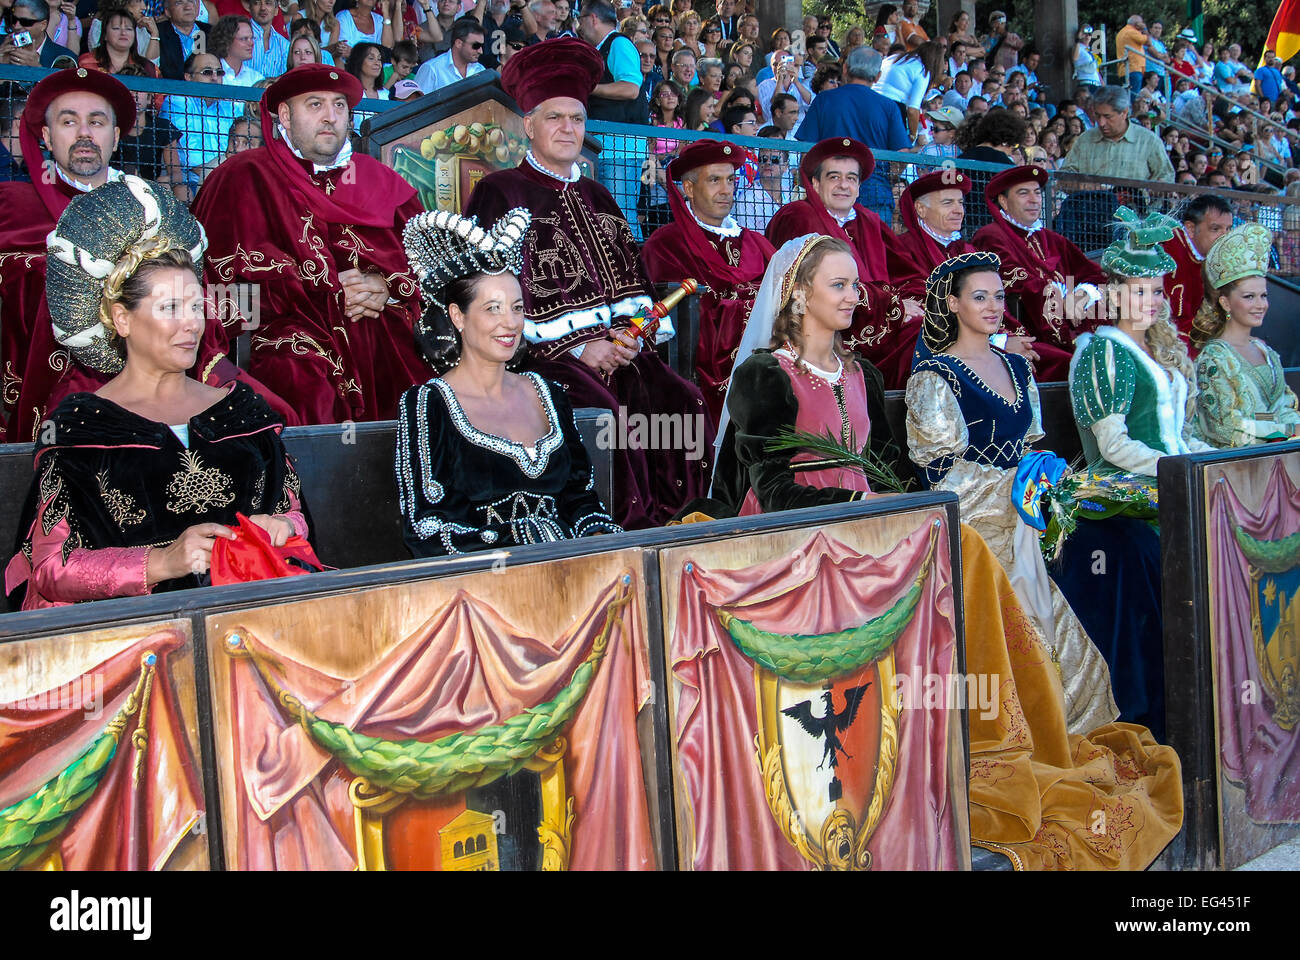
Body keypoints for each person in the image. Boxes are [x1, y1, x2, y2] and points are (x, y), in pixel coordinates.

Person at [5, 177, 309, 609]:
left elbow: (294, 511)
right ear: (121, 319)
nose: (192, 324)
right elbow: (53, 567)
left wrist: (283, 526)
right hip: (134, 636)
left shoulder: (241, 411)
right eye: (170, 308)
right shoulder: (81, 428)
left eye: (195, 305)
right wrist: (161, 562)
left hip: (245, 619)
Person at [464, 38, 713, 529]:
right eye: (554, 117)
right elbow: (487, 298)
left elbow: (633, 284)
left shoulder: (599, 194)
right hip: (542, 360)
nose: (568, 128)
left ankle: (683, 525)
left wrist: (630, 338)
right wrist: (580, 348)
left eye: (577, 119)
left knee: (682, 400)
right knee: (604, 414)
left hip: (620, 350)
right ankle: (618, 534)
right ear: (529, 125)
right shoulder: (499, 192)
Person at [905, 251, 1118, 733]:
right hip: (977, 528)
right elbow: (940, 475)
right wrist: (1016, 490)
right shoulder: (935, 376)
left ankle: (1060, 730)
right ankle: (1020, 735)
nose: (993, 306)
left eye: (999, 297)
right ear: (953, 304)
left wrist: (1045, 482)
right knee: (1024, 623)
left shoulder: (1018, 368)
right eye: (979, 297)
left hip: (1029, 518)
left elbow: (1027, 448)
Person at [191, 64, 433, 425]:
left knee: (431, 396)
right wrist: (324, 294)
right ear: (285, 116)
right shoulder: (243, 177)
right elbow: (211, 292)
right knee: (303, 385)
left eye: (339, 105)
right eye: (315, 104)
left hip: (383, 335)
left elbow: (430, 270)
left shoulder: (379, 179)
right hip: (288, 341)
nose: (330, 117)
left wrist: (388, 289)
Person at [396, 207, 620, 556]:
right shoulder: (429, 404)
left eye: (516, 308)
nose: (511, 323)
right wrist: (526, 538)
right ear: (457, 316)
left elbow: (580, 498)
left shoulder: (549, 393)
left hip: (568, 571)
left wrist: (599, 536)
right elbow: (429, 529)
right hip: (481, 583)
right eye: (493, 309)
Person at [641, 139, 774, 424]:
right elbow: (668, 317)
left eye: (730, 180)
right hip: (700, 371)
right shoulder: (666, 245)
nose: (726, 190)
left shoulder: (757, 243)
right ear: (689, 189)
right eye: (714, 180)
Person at [1070, 214, 1213, 478]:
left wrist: (1216, 461)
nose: (1152, 301)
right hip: (1136, 490)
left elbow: (1177, 439)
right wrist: (1178, 469)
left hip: (1178, 478)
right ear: (1116, 296)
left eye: (1157, 291)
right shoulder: (1104, 351)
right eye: (1140, 292)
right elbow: (1113, 446)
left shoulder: (1161, 349)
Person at [766, 138, 922, 376]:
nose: (843, 185)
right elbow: (803, 288)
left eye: (851, 178)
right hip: (828, 330)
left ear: (859, 186)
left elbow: (905, 271)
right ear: (816, 183)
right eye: (834, 177)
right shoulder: (798, 216)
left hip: (879, 322)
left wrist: (915, 301)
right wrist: (895, 306)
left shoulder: (869, 220)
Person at [973, 164, 1105, 381]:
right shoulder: (991, 236)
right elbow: (1015, 281)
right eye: (1024, 193)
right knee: (1074, 363)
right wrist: (1060, 299)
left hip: (1075, 325)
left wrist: (1083, 293)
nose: (1034, 200)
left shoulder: (1054, 239)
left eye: (1037, 192)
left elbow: (1094, 275)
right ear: (1003, 201)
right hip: (1030, 332)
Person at [1193, 224, 1300, 447]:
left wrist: (1290, 428)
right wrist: (1286, 430)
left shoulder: (1266, 352)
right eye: (1249, 297)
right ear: (1225, 303)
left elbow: (1284, 407)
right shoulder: (1213, 359)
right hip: (1234, 463)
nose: (1260, 305)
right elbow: (1226, 429)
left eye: (1263, 296)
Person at [795, 47, 909, 221]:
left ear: (845, 68)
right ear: (878, 76)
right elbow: (902, 155)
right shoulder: (889, 107)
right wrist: (887, 177)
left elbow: (807, 152)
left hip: (830, 192)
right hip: (875, 193)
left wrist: (810, 187)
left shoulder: (824, 100)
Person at [1059, 85, 1174, 183]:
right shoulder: (1084, 140)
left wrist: (1156, 188)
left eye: (1107, 116)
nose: (1101, 123)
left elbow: (1166, 176)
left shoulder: (1149, 141)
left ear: (1124, 113)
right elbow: (1064, 175)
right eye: (1097, 115)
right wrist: (1082, 186)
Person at [1162, 194, 1232, 351]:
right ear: (1191, 228)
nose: (1225, 237)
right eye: (1215, 229)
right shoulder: (1169, 252)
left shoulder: (1211, 256)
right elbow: (1173, 323)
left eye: (1228, 229)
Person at [873, 39, 945, 141]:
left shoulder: (896, 58)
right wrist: (913, 136)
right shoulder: (922, 71)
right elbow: (913, 110)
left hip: (871, 99)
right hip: (892, 106)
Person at [414, 16, 484, 93]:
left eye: (482, 46)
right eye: (476, 46)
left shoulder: (480, 70)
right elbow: (418, 100)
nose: (481, 51)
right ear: (458, 43)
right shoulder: (432, 69)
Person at [80, 7, 159, 75]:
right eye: (116, 28)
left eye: (129, 29)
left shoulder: (148, 68)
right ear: (105, 35)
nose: (123, 33)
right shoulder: (86, 63)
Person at [0, 0, 78, 68]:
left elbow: (61, 81)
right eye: (14, 20)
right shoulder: (1, 45)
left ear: (43, 25)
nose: (16, 26)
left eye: (25, 22)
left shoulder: (64, 57)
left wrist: (38, 69)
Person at [157, 0, 208, 80]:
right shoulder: (157, 32)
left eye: (191, 1)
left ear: (198, 7)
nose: (187, 7)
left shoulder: (212, 32)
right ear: (167, 12)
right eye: (179, 2)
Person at [212, 14, 265, 87]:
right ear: (226, 41)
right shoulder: (211, 75)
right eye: (244, 39)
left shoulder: (256, 78)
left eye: (252, 38)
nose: (251, 43)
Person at [244, 0, 289, 78]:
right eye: (257, 3)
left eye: (268, 3)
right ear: (249, 8)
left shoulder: (284, 45)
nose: (263, 8)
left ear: (276, 10)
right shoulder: (239, 38)